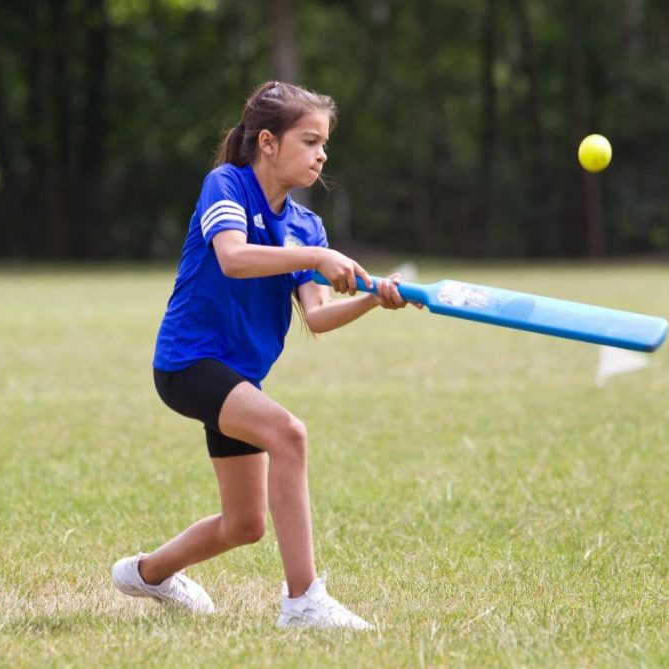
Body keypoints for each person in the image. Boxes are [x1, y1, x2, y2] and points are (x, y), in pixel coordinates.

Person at [112, 81, 414, 629]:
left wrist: (372, 298)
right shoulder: (225, 185)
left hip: (239, 375)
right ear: (269, 143)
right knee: (289, 433)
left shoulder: (306, 224)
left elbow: (317, 316)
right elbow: (232, 258)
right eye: (310, 140)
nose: (322, 154)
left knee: (245, 524)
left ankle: (146, 574)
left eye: (325, 143)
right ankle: (303, 601)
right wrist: (320, 255)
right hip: (187, 362)